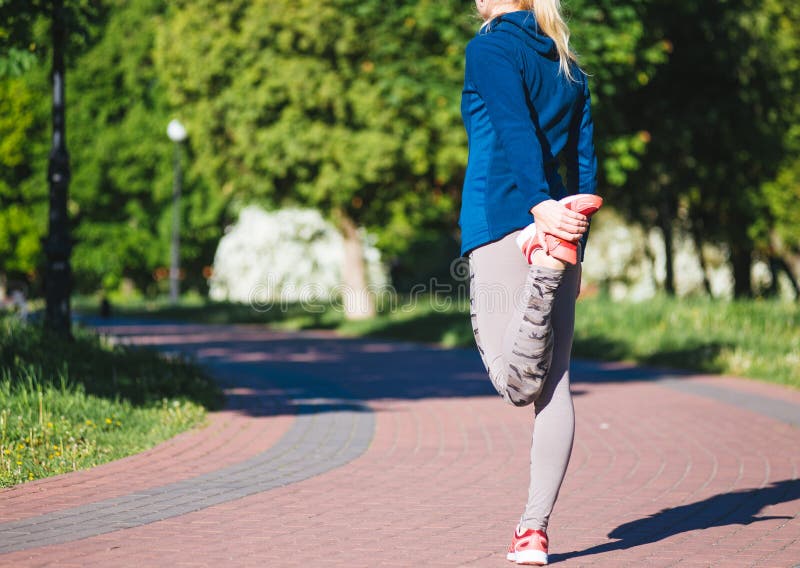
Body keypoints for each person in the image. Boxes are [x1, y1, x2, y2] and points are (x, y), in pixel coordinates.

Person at [460, 1, 603, 564]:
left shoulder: (489, 46)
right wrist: (575, 238)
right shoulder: (568, 63)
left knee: (514, 382)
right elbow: (585, 161)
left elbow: (514, 128)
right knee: (555, 384)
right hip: (563, 228)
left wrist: (539, 209)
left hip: (504, 222)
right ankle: (533, 531)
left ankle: (541, 267)